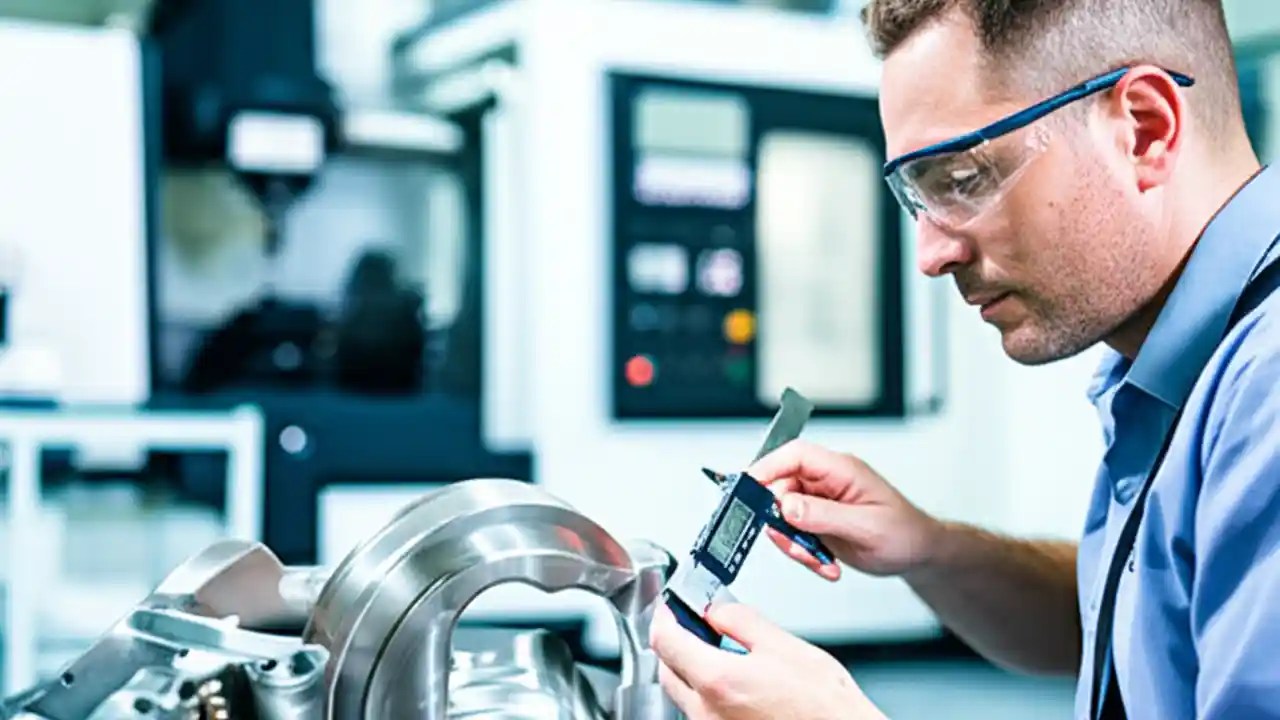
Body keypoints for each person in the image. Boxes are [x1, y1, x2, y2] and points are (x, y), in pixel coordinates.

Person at [648, 1, 1280, 718]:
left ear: (1144, 129)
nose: (930, 254)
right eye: (919, 195)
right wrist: (930, 549)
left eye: (965, 179)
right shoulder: (1175, 365)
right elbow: (1135, 625)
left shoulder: (1268, 387)